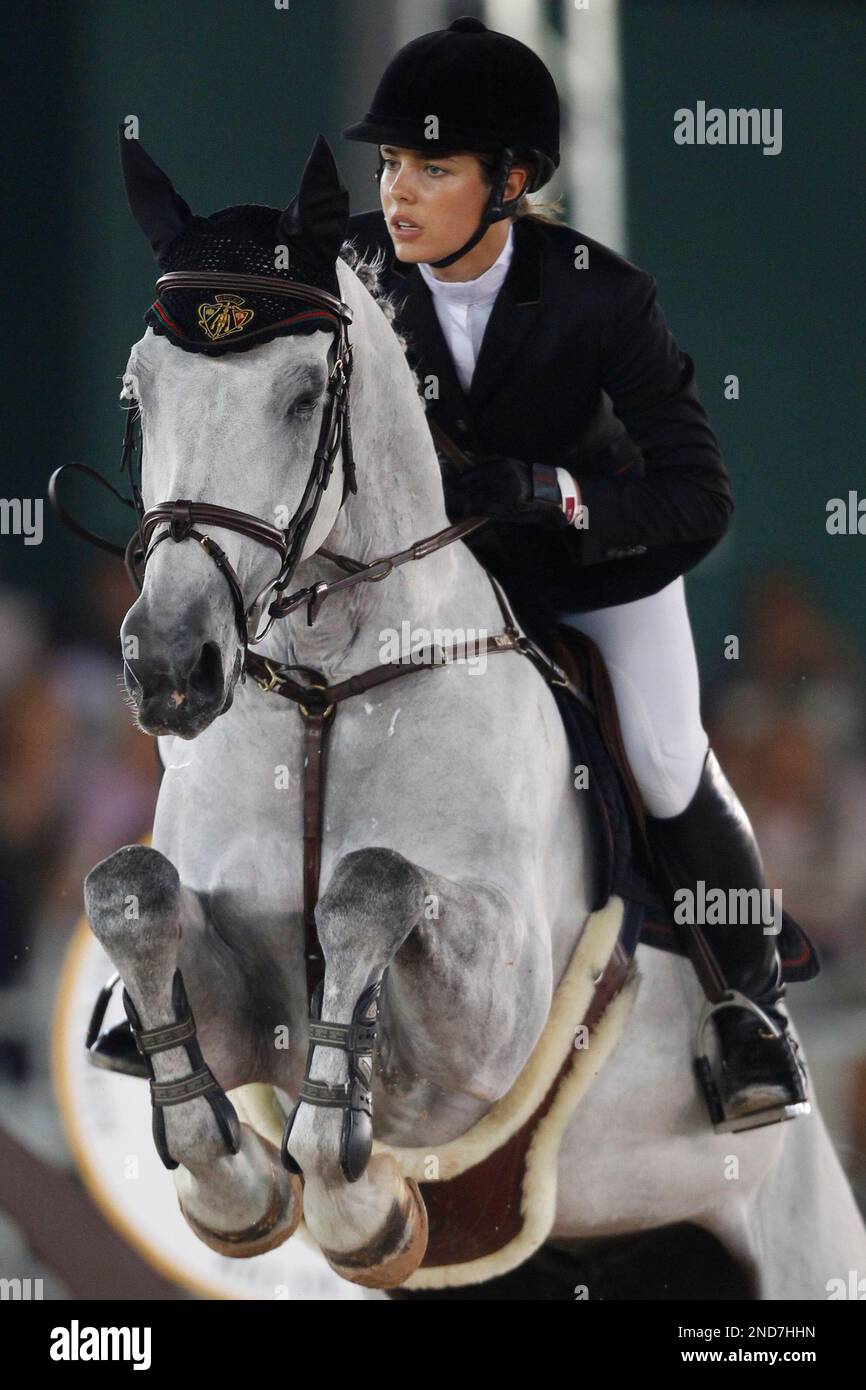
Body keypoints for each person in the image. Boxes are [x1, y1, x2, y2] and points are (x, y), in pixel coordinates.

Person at [340, 15, 809, 1123]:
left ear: (510, 180)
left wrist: (549, 494)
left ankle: (747, 1010)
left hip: (592, 575)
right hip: (424, 577)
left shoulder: (604, 295)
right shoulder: (351, 266)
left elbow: (699, 497)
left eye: (433, 167)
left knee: (656, 754)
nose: (399, 191)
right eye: (390, 163)